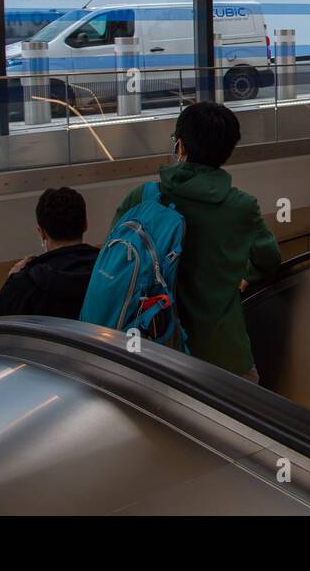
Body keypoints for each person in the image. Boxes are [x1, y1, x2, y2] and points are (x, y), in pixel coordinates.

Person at [112, 101, 280, 382]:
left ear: (180, 146)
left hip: (154, 354)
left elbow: (114, 261)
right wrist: (246, 277)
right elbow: (270, 259)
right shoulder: (242, 207)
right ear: (227, 152)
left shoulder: (141, 199)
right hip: (224, 356)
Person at [0, 187, 98, 319]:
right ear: (85, 224)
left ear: (41, 232)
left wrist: (12, 280)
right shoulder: (108, 269)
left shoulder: (26, 282)